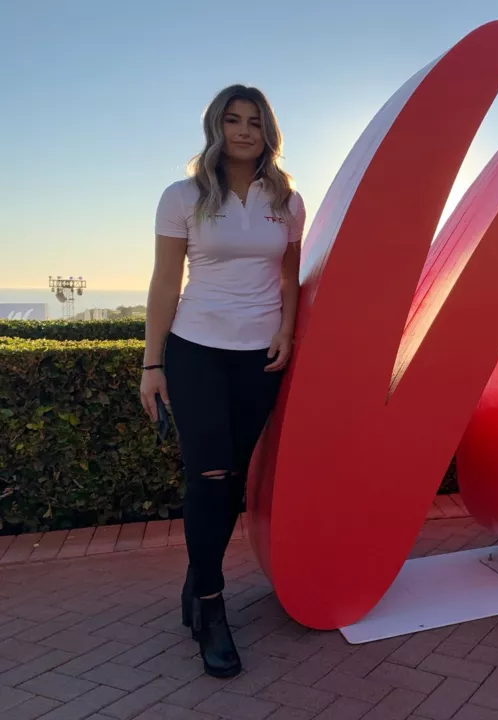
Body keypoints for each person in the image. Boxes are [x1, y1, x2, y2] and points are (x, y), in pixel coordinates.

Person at [139, 85, 305, 676]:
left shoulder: (286, 199)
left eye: (254, 122)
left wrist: (287, 328)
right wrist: (151, 364)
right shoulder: (182, 196)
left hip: (258, 355)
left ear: (268, 132)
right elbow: (163, 284)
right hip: (195, 351)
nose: (243, 130)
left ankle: (196, 581)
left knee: (230, 479)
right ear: (216, 126)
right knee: (208, 475)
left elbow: (290, 277)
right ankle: (211, 608)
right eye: (232, 120)